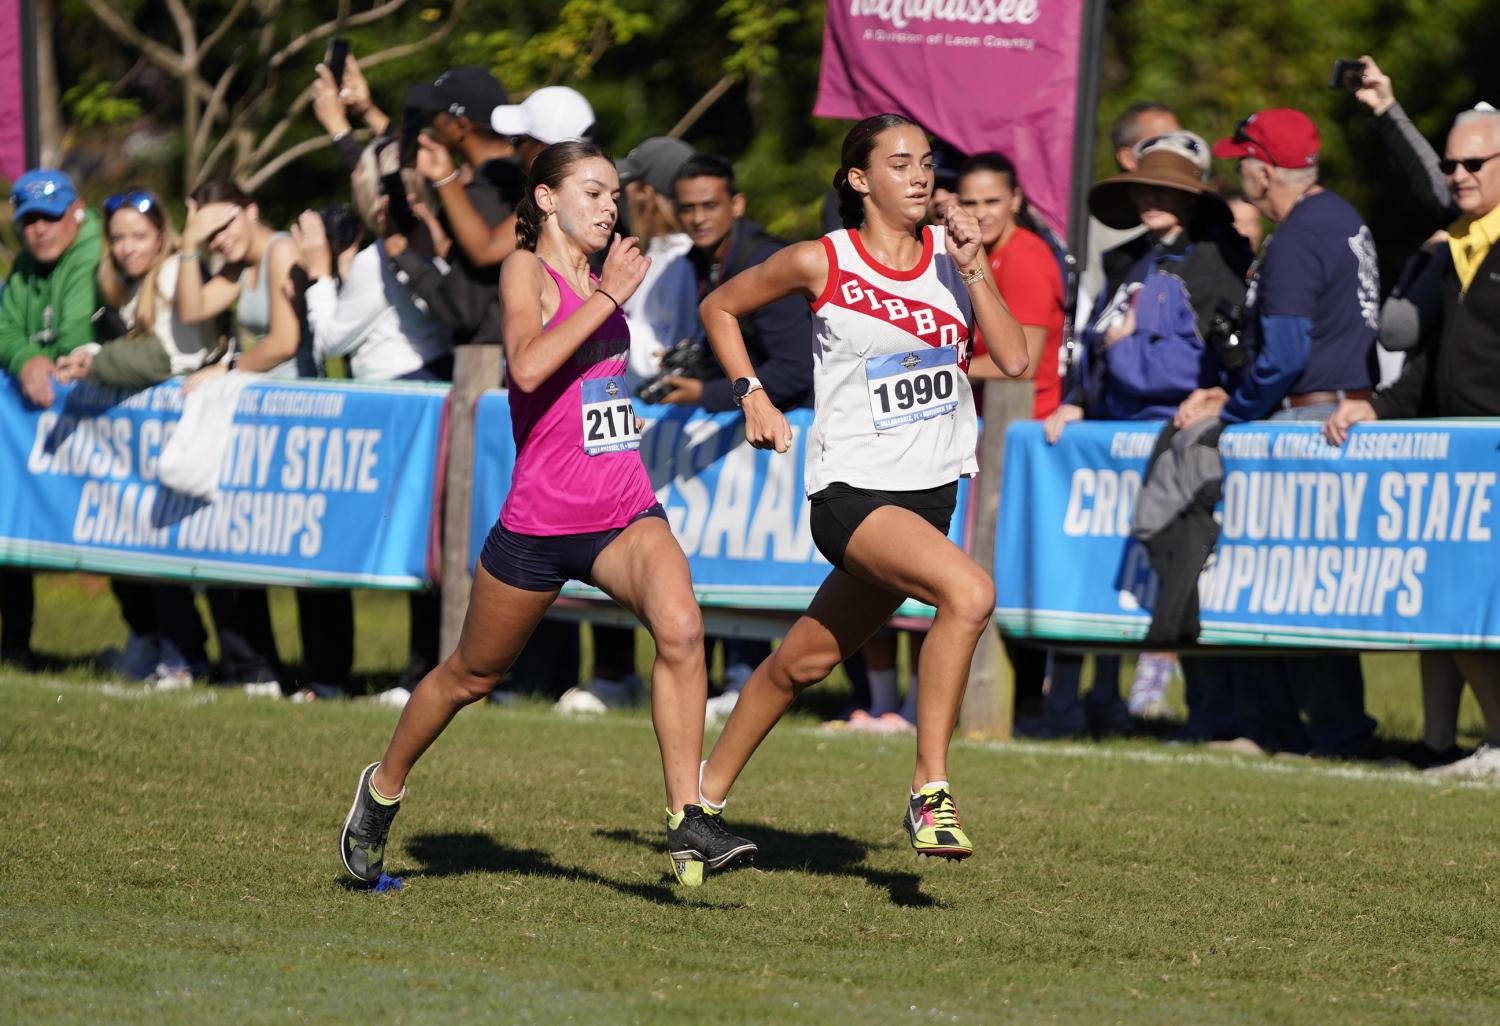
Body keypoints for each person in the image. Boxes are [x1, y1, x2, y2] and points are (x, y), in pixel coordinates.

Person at [339, 140, 755, 888]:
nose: (608, 207)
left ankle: (686, 818)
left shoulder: (605, 278)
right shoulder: (524, 269)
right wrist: (608, 299)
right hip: (540, 520)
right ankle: (381, 790)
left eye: (612, 195)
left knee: (684, 629)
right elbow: (526, 366)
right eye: (591, 193)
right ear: (546, 200)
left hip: (623, 506)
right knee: (469, 675)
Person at [694, 114, 1028, 861]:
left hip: (928, 497)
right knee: (969, 593)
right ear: (858, 179)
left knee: (801, 665)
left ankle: (700, 802)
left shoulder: (952, 256)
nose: (920, 175)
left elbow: (1011, 359)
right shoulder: (823, 260)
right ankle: (929, 792)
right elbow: (719, 307)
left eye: (927, 162)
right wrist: (752, 393)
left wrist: (974, 267)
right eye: (901, 162)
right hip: (852, 494)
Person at [1172, 108, 1380, 759]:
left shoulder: (1295, 238)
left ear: (1264, 170)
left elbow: (1286, 352)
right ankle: (1321, 725)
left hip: (1302, 422)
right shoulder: (1342, 217)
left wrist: (1231, 410)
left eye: (1243, 161)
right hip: (1336, 414)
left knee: (1280, 575)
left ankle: (1295, 725)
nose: (1240, 172)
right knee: (1312, 578)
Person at [1045, 134, 1252, 738]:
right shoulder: (1126, 260)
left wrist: (1128, 347)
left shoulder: (1213, 262)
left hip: (1177, 441)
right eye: (1145, 189)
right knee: (1093, 569)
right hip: (1111, 437)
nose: (1151, 201)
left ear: (1191, 198)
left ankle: (1206, 716)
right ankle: (1085, 704)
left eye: (1168, 190)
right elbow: (1095, 348)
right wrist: (1082, 401)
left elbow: (1211, 359)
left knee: (1185, 574)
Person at [1324, 101, 1500, 778]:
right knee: (1442, 595)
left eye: (1472, 163)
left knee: (1464, 600)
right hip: (1457, 456)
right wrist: (1378, 407)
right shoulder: (1457, 242)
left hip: (1487, 456)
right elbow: (1434, 360)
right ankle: (1435, 743)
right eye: (1450, 162)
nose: (1456, 174)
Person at [660, 153, 817, 721]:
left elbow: (798, 372)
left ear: (737, 204)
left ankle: (749, 677)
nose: (698, 217)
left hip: (792, 436)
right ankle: (732, 674)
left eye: (710, 205)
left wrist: (703, 395)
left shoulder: (766, 260)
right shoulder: (705, 259)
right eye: (687, 207)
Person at [54, 187, 222, 689]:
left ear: (161, 235)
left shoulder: (173, 274)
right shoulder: (126, 285)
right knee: (130, 546)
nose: (128, 247)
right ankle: (154, 646)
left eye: (139, 236)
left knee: (165, 552)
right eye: (119, 237)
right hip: (150, 440)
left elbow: (163, 359)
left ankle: (183, 658)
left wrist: (96, 362)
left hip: (192, 430)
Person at [0, 168, 102, 667]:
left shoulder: (93, 249)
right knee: (8, 525)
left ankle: (168, 647)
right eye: (29, 220)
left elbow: (75, 334)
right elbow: (4, 328)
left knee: (116, 536)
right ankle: (15, 644)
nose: (40, 229)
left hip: (101, 431)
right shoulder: (23, 266)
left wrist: (44, 358)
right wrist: (24, 359)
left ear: (76, 210)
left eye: (50, 216)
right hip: (36, 434)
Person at [391, 67, 523, 349]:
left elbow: (462, 310)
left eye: (434, 117)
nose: (428, 127)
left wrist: (404, 256)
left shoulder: (483, 196)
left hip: (491, 366)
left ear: (460, 126)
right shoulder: (520, 181)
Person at [616, 136, 698, 394]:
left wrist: (601, 314)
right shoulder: (657, 253)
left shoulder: (681, 260)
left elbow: (671, 352)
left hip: (658, 411)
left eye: (628, 184)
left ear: (646, 194)